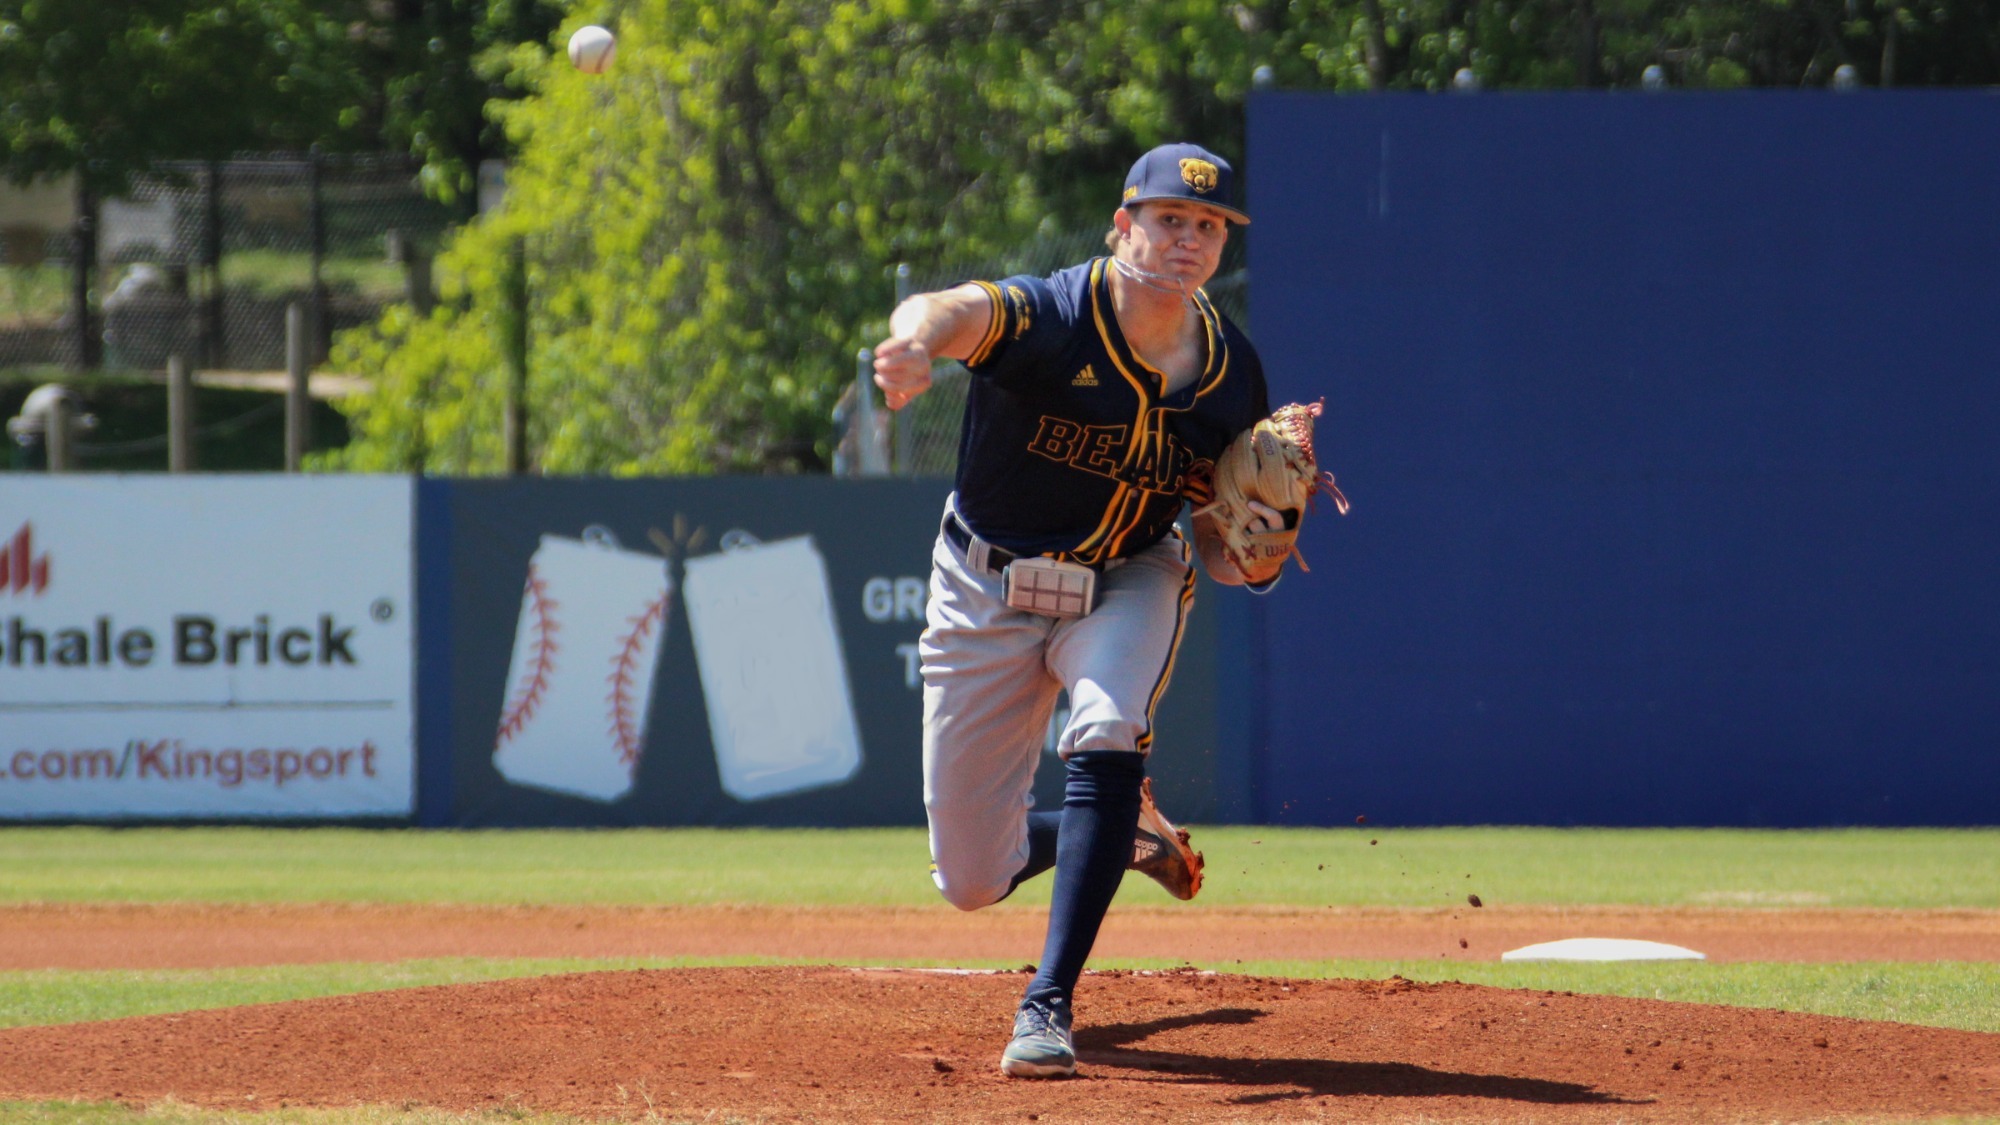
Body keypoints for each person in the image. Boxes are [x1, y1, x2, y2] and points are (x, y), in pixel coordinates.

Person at [872, 142, 1289, 1078]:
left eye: (1209, 225)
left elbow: (1219, 550)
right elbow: (953, 308)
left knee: (1106, 728)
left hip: (1128, 574)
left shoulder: (1232, 374)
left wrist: (1255, 553)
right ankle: (1124, 833)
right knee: (970, 879)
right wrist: (913, 345)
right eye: (1169, 219)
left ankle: (1047, 1002)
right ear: (1122, 226)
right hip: (986, 583)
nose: (1188, 239)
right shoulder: (1053, 315)